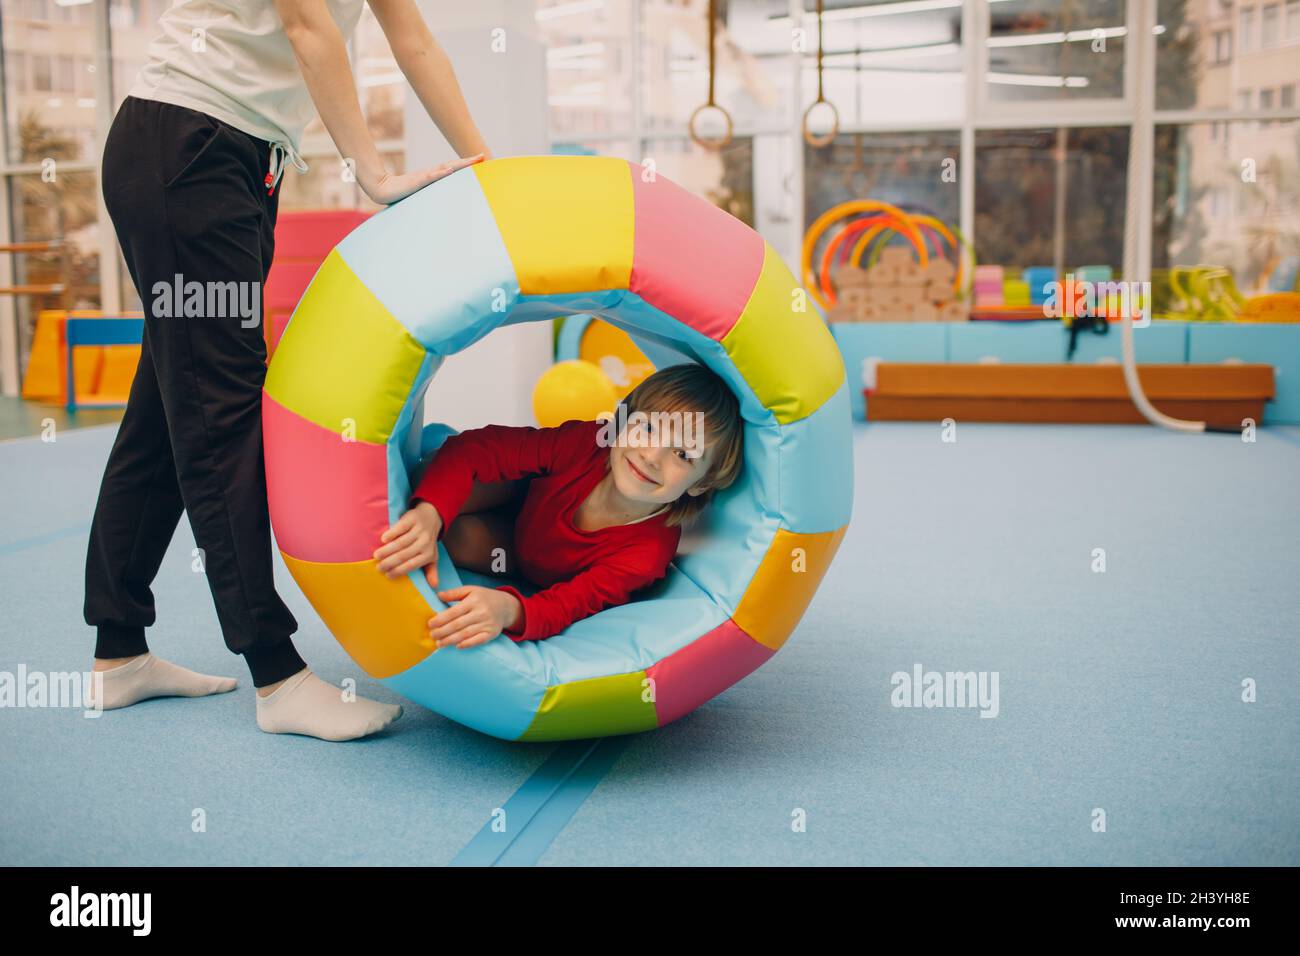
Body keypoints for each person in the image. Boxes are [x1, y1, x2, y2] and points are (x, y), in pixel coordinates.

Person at [84, 0, 492, 742]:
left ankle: (118, 650)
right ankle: (276, 673)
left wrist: (488, 167)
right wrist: (371, 171)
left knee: (164, 411)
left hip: (235, 161)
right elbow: (310, 28)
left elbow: (414, 38)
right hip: (187, 150)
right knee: (221, 417)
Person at [374, 364, 745, 648]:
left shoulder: (646, 553)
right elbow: (480, 449)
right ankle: (433, 500)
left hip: (519, 556)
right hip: (522, 495)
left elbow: (568, 605)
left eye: (682, 453)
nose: (651, 456)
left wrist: (508, 610)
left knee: (456, 539)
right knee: (433, 480)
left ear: (704, 482)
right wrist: (428, 512)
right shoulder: (588, 444)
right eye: (647, 428)